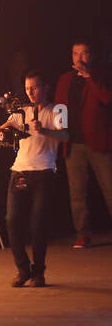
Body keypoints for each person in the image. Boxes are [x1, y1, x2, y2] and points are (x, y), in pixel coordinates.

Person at [0, 70, 68, 287]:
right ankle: (22, 269)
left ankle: (39, 272)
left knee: (38, 223)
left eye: (35, 87)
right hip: (19, 171)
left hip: (45, 171)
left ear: (46, 87)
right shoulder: (20, 112)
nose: (30, 92)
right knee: (12, 219)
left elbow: (66, 135)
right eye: (28, 87)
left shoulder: (59, 110)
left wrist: (44, 130)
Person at [54, 40, 112, 248]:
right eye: (75, 53)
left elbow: (107, 99)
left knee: (109, 187)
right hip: (73, 144)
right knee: (77, 192)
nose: (79, 58)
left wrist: (90, 77)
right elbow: (59, 106)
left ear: (91, 56)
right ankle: (82, 233)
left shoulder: (102, 76)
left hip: (98, 142)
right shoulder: (65, 79)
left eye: (84, 53)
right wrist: (59, 129)